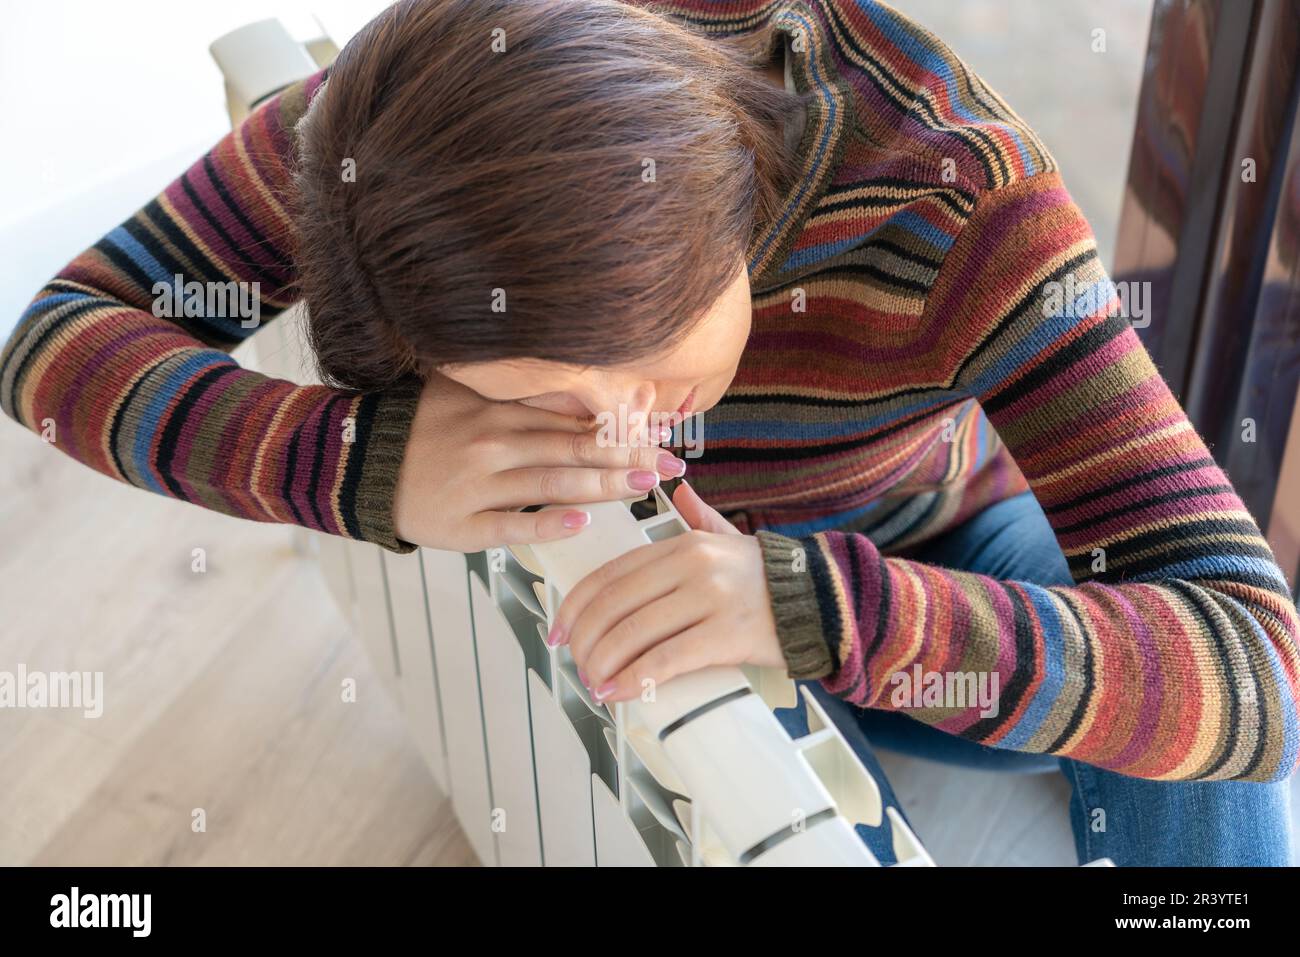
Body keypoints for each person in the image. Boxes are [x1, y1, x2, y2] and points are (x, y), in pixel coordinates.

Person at [3, 0, 1296, 865]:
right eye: (531, 394)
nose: (619, 438)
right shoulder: (394, 137)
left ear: (735, 223)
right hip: (710, 634)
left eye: (645, 376)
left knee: (1207, 749)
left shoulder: (966, 201)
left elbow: (1255, 670)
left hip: (923, 542)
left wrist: (819, 611)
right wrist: (362, 460)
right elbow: (55, 340)